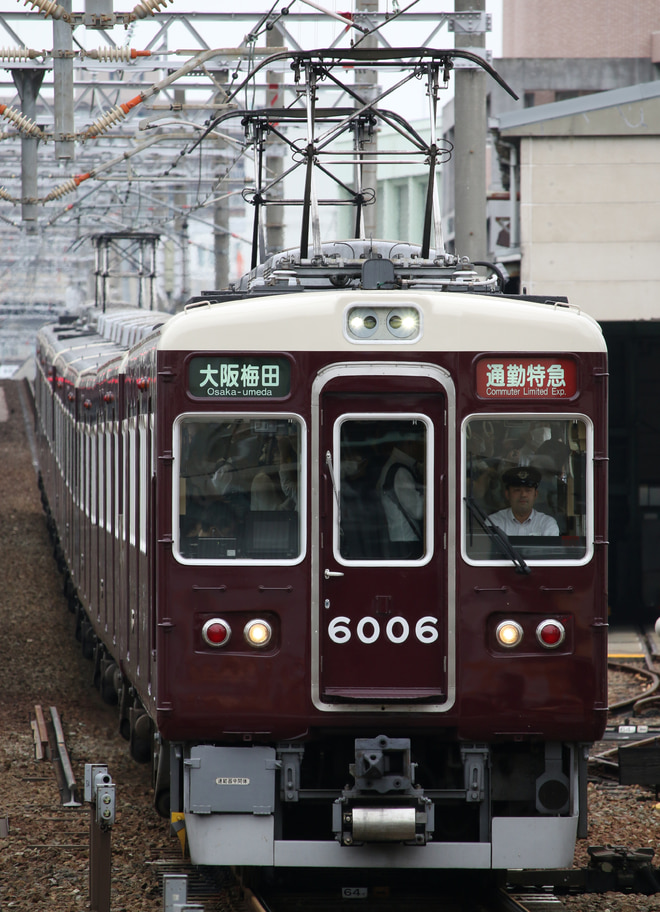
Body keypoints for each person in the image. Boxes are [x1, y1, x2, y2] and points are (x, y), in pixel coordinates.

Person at [488, 466, 560, 536]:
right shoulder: (494, 522)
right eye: (517, 490)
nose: (523, 495)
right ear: (507, 494)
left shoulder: (547, 524)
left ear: (535, 494)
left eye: (528, 490)